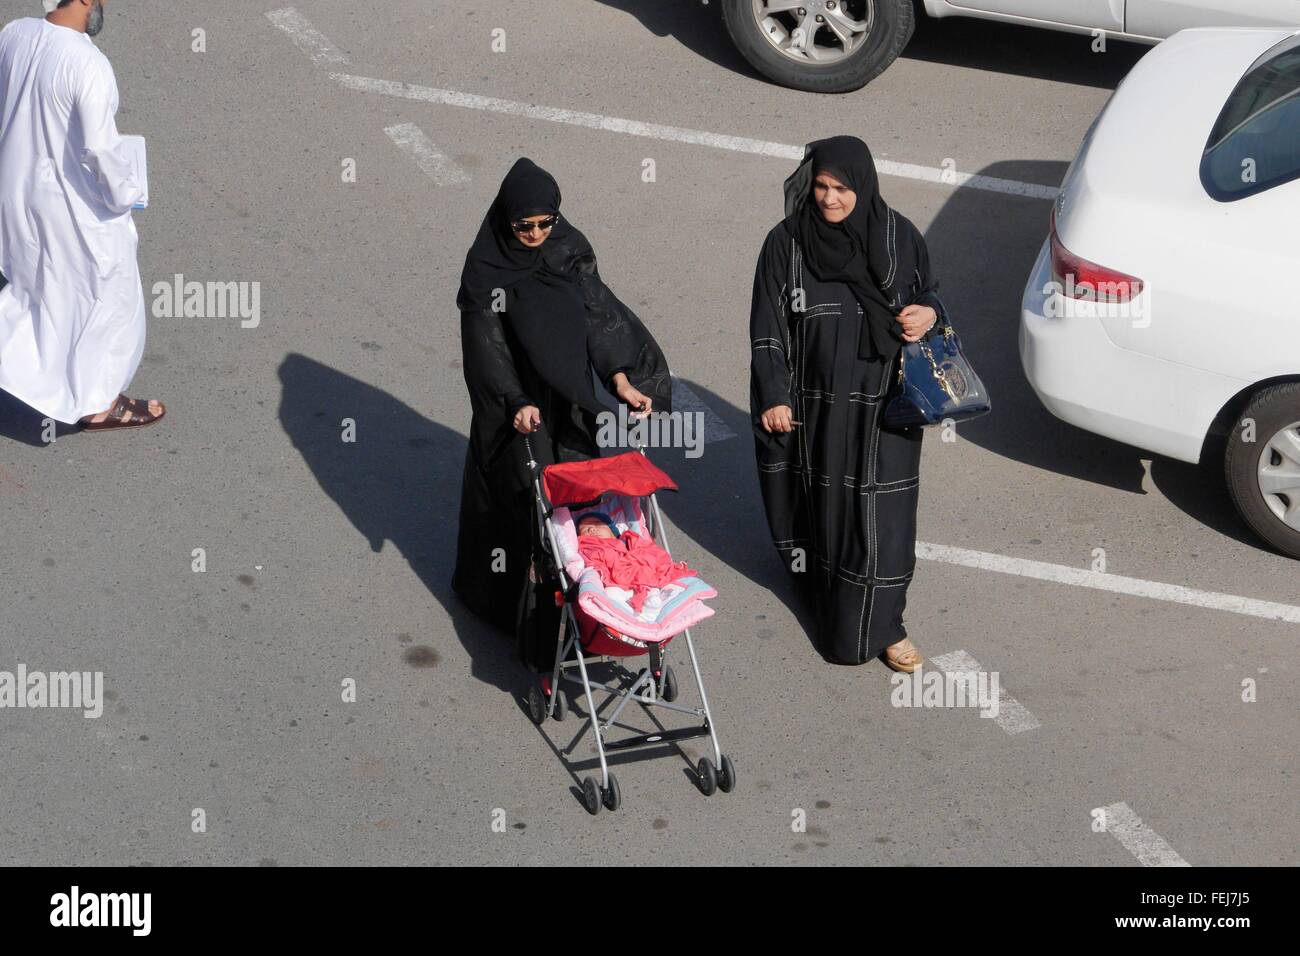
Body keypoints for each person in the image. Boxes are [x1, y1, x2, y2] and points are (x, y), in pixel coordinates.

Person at [453, 157, 672, 668]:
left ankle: (582, 610)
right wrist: (514, 400)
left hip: (568, 399)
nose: (534, 234)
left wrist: (620, 377)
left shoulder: (567, 250)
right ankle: (510, 611)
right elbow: (486, 346)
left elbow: (598, 315)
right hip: (518, 407)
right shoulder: (487, 268)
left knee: (572, 500)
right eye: (523, 226)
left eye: (543, 223)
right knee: (519, 501)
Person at [749, 135, 942, 672]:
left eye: (841, 188)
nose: (829, 199)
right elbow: (769, 327)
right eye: (820, 187)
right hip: (819, 404)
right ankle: (839, 617)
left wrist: (927, 313)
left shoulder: (899, 237)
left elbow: (932, 298)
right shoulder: (786, 244)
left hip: (888, 404)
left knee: (886, 516)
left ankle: (888, 626)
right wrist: (773, 395)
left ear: (865, 185)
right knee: (830, 515)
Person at [0, 0, 165, 432]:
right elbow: (101, 150)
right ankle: (98, 402)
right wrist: (126, 196)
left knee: (38, 289)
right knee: (110, 296)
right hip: (69, 207)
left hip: (16, 194)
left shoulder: (12, 34)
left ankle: (50, 380)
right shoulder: (87, 63)